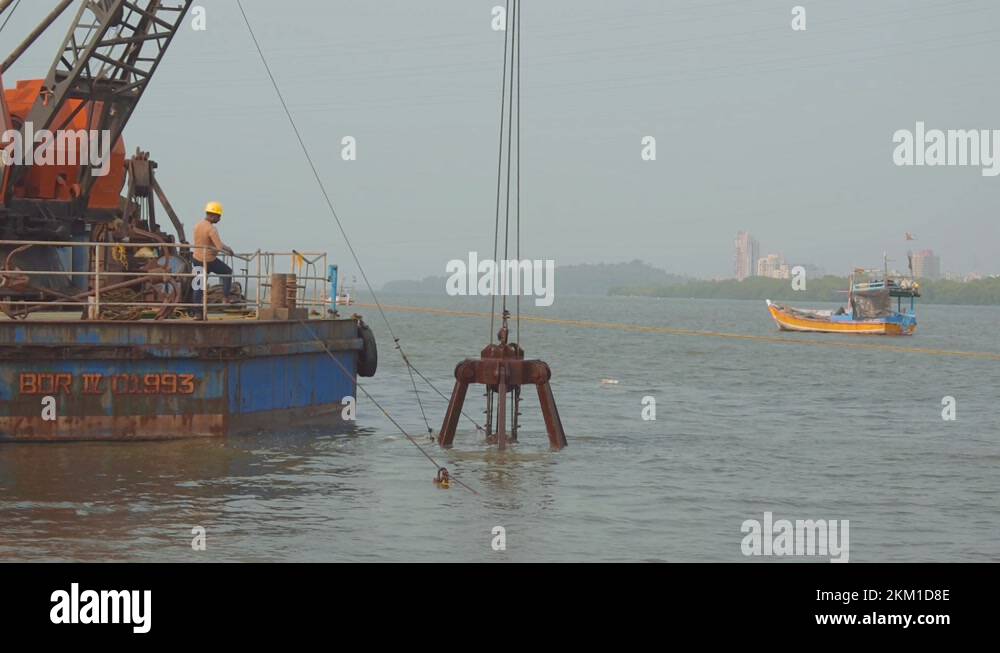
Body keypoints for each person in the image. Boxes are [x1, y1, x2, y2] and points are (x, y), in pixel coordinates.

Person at [192, 201, 235, 304]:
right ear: (212, 215)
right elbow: (218, 246)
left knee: (199, 285)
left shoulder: (198, 225)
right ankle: (225, 298)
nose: (219, 219)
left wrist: (227, 248)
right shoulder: (211, 229)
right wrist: (228, 251)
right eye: (218, 216)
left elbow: (209, 242)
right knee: (227, 272)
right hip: (209, 260)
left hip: (197, 258)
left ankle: (197, 312)